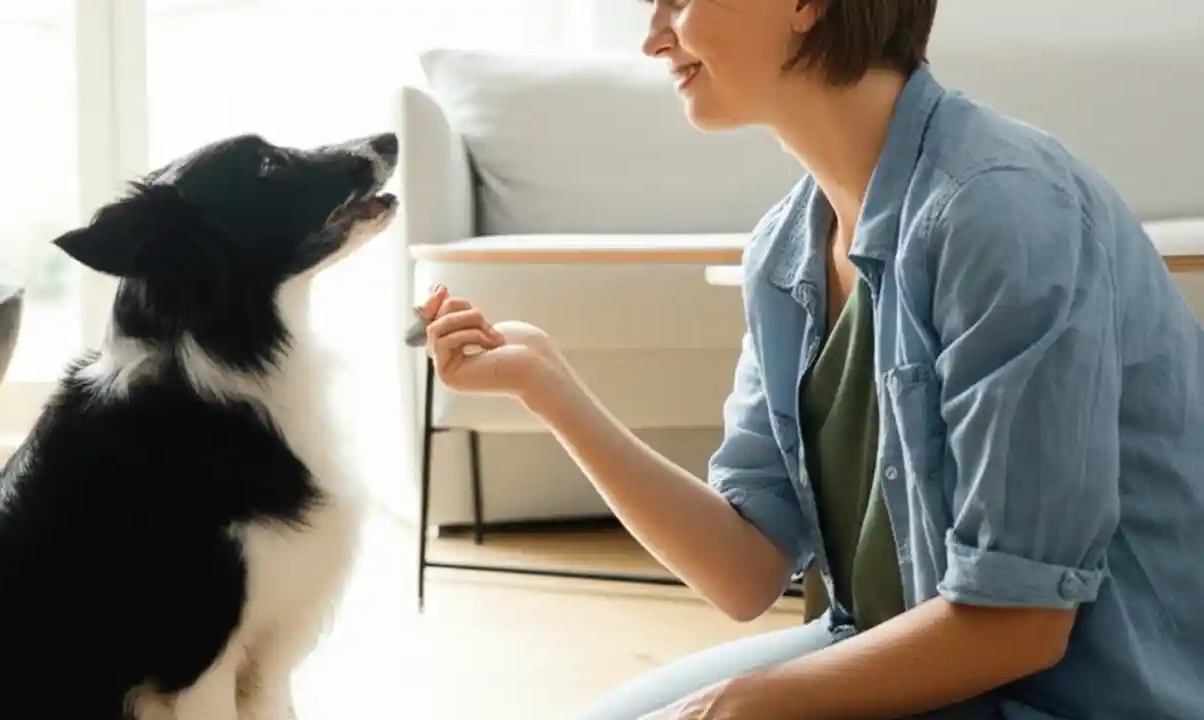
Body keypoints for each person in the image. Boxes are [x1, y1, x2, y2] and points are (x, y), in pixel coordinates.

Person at [417, 0, 1204, 717]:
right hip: (895, 650)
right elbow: (744, 568)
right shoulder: (785, 251)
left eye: (679, 0)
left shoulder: (1003, 213)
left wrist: (750, 704)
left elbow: (1021, 626)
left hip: (1076, 695)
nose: (654, 38)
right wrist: (548, 387)